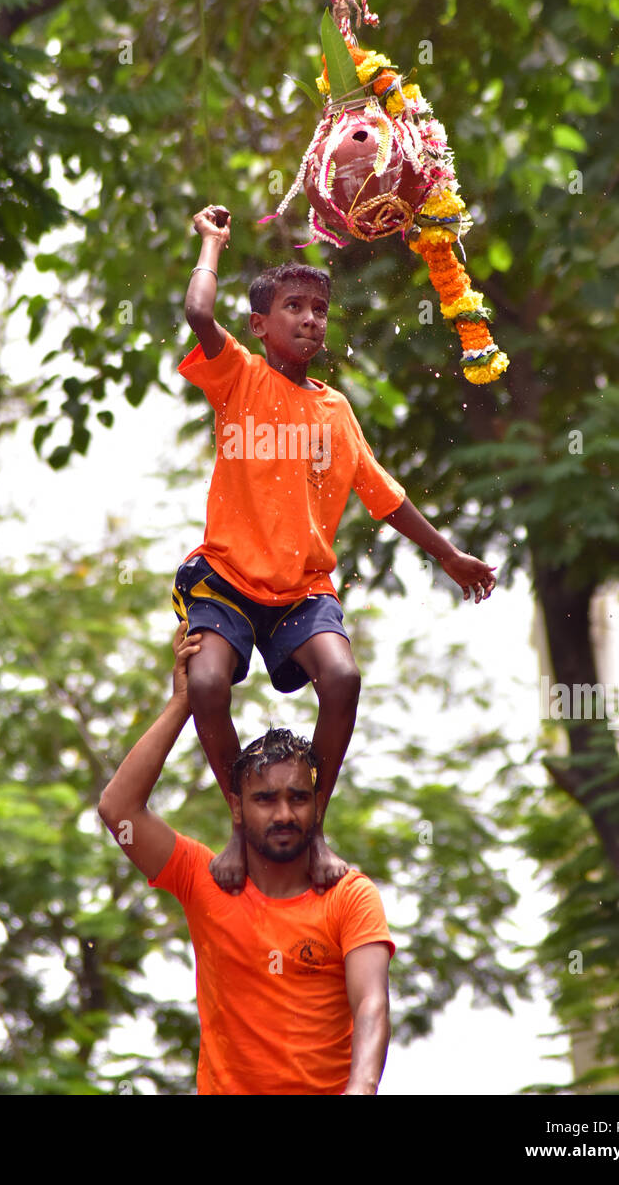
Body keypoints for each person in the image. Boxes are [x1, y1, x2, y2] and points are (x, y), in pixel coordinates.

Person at [176, 203, 497, 896]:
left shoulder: (335, 411)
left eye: (319, 308)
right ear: (260, 325)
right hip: (227, 578)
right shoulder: (237, 377)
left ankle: (313, 825)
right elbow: (199, 314)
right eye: (293, 306)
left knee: (343, 678)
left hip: (302, 588)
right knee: (204, 684)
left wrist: (447, 556)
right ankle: (240, 822)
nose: (310, 318)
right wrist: (210, 244)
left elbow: (384, 494)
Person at [98, 624, 394, 1096]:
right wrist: (182, 702)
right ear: (237, 806)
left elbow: (372, 1005)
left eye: (298, 798)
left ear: (317, 804)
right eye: (265, 799)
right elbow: (118, 810)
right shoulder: (205, 881)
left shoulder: (349, 897)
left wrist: (361, 1088)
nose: (283, 813)